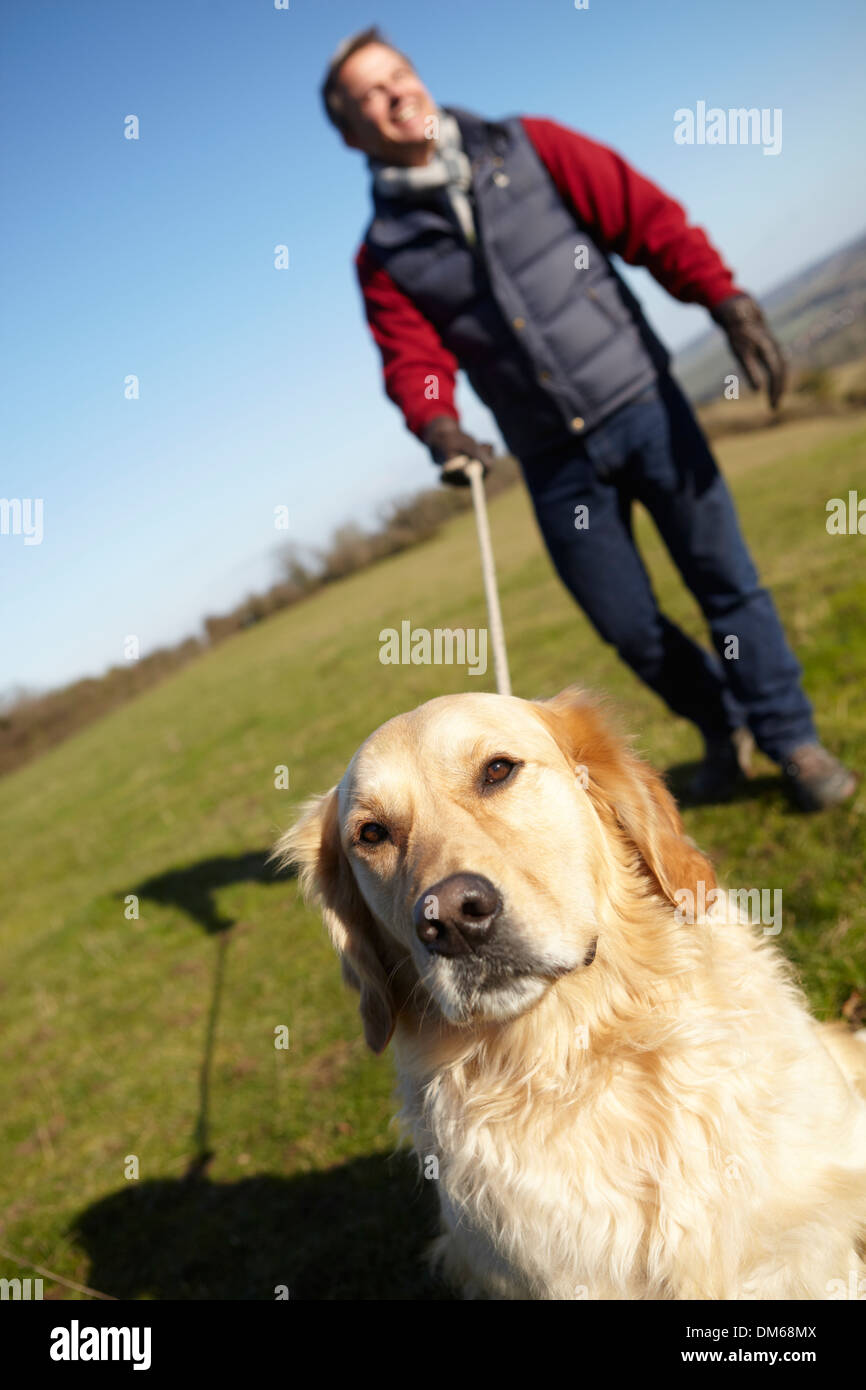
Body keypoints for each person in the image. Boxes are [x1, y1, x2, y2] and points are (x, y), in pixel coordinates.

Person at [320, 26, 856, 811]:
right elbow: (411, 357)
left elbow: (647, 219)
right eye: (370, 92)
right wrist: (435, 422)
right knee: (628, 626)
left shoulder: (530, 147)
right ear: (349, 130)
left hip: (643, 401)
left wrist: (722, 297)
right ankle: (722, 724)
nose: (396, 93)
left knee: (727, 584)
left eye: (399, 74)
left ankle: (794, 742)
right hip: (552, 459)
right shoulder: (384, 254)